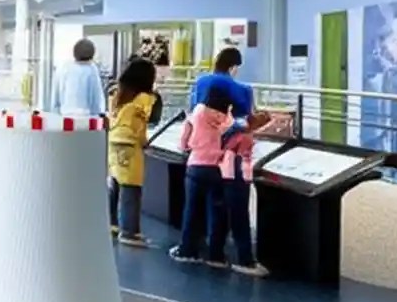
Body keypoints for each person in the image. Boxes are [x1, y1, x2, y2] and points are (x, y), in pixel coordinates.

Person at [170, 88, 235, 266]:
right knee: (217, 214)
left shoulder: (196, 114)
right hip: (216, 169)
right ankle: (216, 256)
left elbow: (183, 143)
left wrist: (188, 146)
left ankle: (187, 250)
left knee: (191, 211)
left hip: (196, 167)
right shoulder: (227, 120)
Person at [107, 59, 158, 248]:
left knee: (116, 183)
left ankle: (112, 224)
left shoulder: (118, 93)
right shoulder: (144, 98)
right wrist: (144, 143)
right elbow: (140, 125)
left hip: (114, 141)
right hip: (130, 145)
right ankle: (129, 231)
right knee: (132, 188)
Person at [219, 111, 274, 276]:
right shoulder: (246, 138)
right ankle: (245, 260)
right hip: (238, 180)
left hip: (227, 178)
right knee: (241, 219)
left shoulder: (234, 133)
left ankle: (218, 253)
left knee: (228, 217)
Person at [191, 46, 254, 118]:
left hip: (197, 123)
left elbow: (192, 106)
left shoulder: (200, 81)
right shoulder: (239, 87)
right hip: (221, 125)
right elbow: (245, 111)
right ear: (233, 68)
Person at [52, 38, 106, 115]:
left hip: (65, 116)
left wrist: (56, 114)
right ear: (92, 55)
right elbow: (97, 101)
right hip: (86, 118)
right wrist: (100, 116)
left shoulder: (64, 67)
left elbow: (55, 98)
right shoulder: (91, 69)